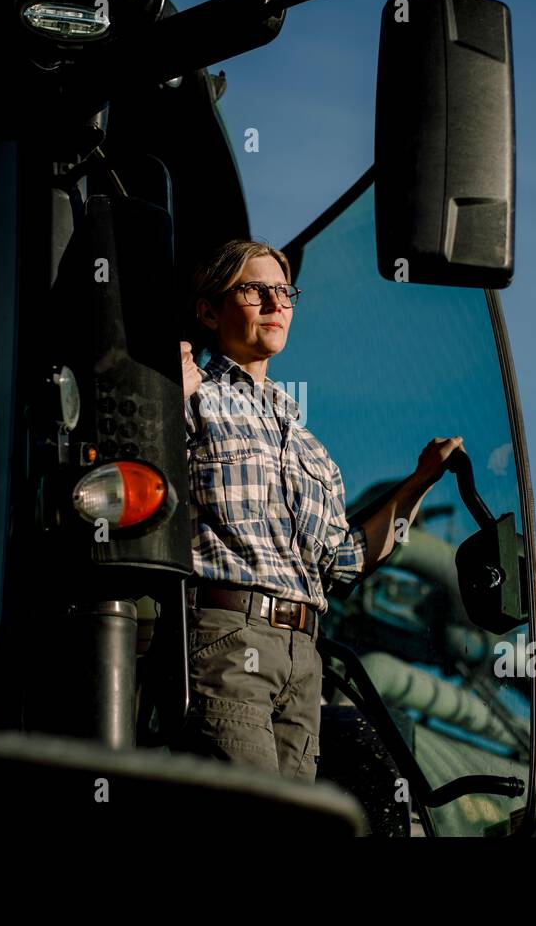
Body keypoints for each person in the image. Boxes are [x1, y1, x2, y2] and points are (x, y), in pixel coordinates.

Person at [176, 238, 464, 782]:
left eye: (285, 292)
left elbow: (345, 561)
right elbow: (134, 487)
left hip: (305, 657)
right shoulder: (192, 394)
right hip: (228, 638)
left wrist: (419, 483)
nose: (275, 303)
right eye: (254, 290)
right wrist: (165, 401)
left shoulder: (308, 445)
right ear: (208, 311)